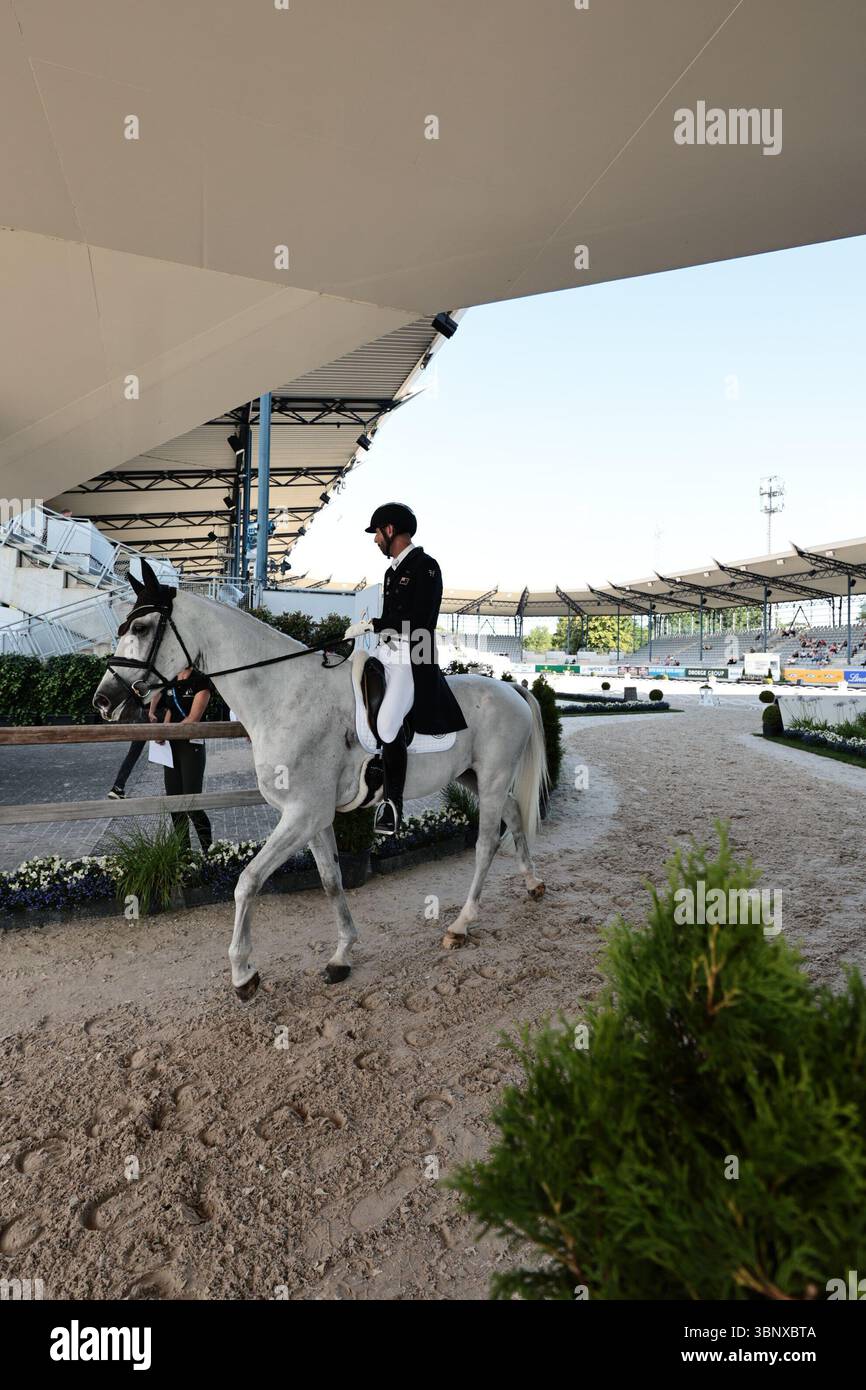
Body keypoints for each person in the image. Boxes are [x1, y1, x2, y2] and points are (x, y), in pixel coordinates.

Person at [344, 502, 467, 835]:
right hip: (386, 652)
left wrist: (373, 623)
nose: (374, 542)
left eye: (376, 535)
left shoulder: (426, 567)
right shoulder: (391, 571)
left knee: (386, 726)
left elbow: (419, 622)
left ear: (389, 530)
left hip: (412, 658)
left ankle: (392, 805)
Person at [153, 666, 214, 851]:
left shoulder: (201, 681)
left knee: (192, 803)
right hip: (171, 747)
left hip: (191, 745)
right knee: (175, 804)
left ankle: (208, 850)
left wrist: (169, 732)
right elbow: (170, 711)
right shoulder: (171, 679)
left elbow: (193, 718)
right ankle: (184, 851)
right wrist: (162, 732)